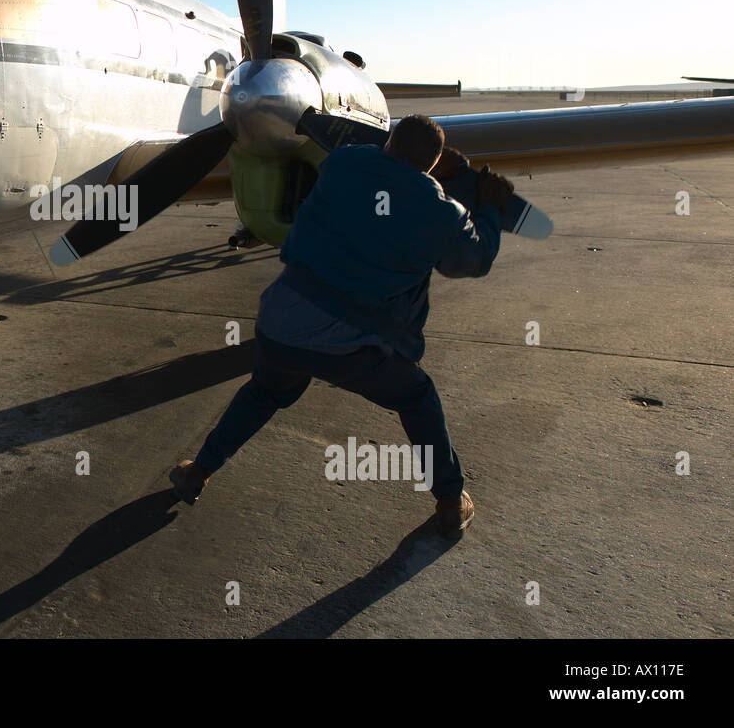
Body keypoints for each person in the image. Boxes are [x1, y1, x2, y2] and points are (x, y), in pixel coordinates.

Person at [169, 114, 513, 534]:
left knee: (264, 392)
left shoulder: (342, 163)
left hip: (283, 323)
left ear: (389, 143)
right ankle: (448, 499)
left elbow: (380, 171)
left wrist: (428, 173)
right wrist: (491, 208)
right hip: (357, 345)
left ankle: (198, 471)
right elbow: (472, 261)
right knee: (417, 398)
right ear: (434, 162)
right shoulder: (442, 211)